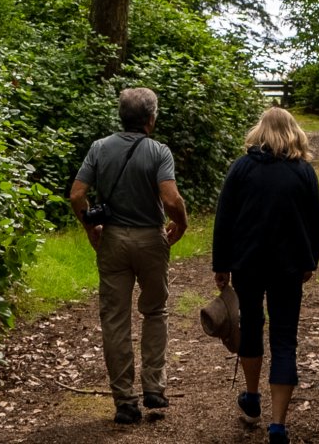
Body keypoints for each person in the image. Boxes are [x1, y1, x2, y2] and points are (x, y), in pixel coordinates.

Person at [70, 87, 188, 425]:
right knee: (155, 310)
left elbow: (77, 194)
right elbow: (170, 199)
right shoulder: (158, 151)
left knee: (115, 320)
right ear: (150, 119)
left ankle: (125, 401)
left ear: (122, 116)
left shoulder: (98, 148)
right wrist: (181, 222)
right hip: (151, 240)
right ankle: (154, 387)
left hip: (113, 242)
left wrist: (91, 227)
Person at [212, 107, 319, 441]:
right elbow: (315, 221)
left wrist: (222, 265)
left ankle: (252, 397)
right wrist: (310, 261)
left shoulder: (242, 168)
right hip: (289, 265)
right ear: (294, 132)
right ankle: (277, 424)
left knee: (251, 327)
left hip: (247, 263)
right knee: (285, 339)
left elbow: (224, 218)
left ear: (259, 131)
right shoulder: (303, 171)